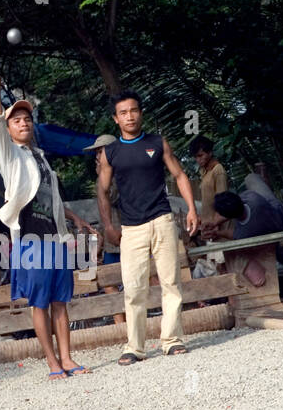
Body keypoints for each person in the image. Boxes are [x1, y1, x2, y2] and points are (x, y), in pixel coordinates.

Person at [0, 63, 98, 379]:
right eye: (17, 120)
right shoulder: (9, 155)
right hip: (29, 240)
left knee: (60, 301)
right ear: (10, 128)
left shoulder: (40, 158)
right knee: (39, 303)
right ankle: (52, 363)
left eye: (27, 118)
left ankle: (67, 359)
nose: (23, 123)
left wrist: (76, 219)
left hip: (55, 238)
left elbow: (51, 199)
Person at [97, 90, 199, 364]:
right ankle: (135, 347)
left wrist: (191, 208)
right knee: (133, 288)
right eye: (123, 113)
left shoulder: (157, 143)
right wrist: (108, 225)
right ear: (115, 119)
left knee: (171, 283)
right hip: (131, 228)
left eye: (133, 111)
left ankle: (172, 340)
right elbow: (103, 191)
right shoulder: (111, 152)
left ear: (140, 113)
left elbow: (179, 174)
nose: (129, 116)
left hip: (162, 220)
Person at [84, 134, 125, 325]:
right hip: (111, 243)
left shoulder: (122, 175)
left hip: (127, 237)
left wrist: (103, 176)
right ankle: (120, 325)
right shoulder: (103, 178)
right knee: (108, 282)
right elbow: (104, 211)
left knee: (148, 278)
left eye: (100, 152)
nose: (97, 157)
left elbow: (113, 198)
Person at [209, 189, 283, 287]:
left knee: (270, 245)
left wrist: (217, 232)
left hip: (278, 220)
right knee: (251, 177)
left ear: (228, 216)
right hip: (276, 212)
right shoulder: (253, 197)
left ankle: (280, 253)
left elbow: (231, 234)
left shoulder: (244, 234)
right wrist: (215, 223)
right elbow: (236, 207)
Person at [189, 137, 228, 229]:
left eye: (200, 155)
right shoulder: (204, 172)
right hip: (208, 226)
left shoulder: (218, 170)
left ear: (210, 153)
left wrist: (216, 226)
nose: (198, 160)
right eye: (196, 157)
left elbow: (222, 201)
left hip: (218, 228)